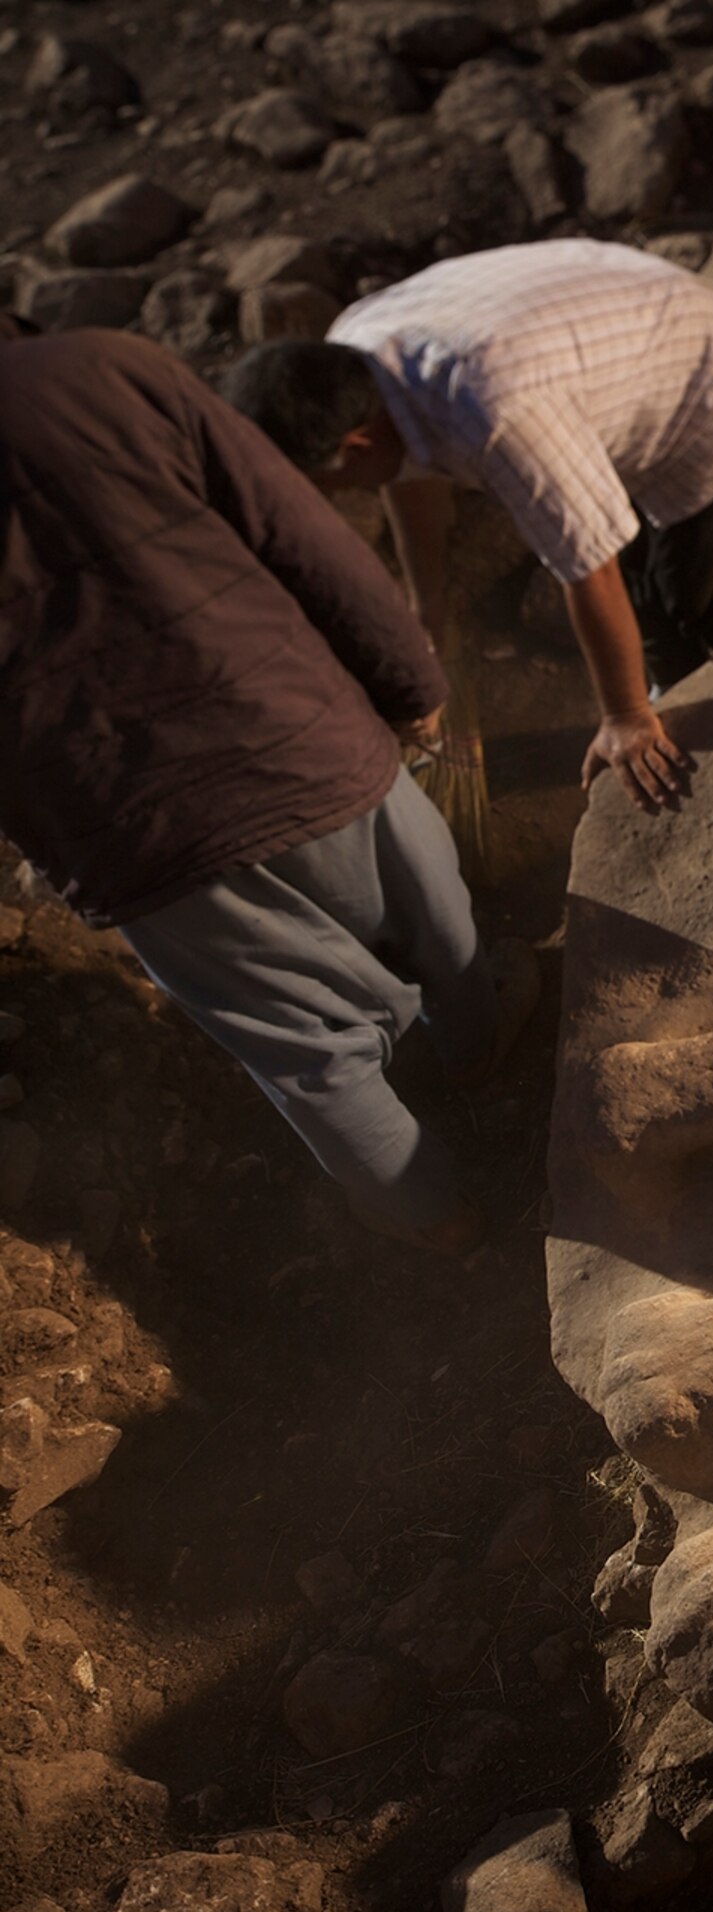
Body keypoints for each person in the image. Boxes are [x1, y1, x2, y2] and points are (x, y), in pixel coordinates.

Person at [0, 329, 529, 1253]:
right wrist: (412, 688)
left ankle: (436, 1219)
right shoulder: (105, 368)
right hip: (298, 728)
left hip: (138, 830)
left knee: (310, 1054)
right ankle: (478, 1045)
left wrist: (63, 852)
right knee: (440, 918)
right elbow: (300, 535)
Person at [222, 238, 713, 812]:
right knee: (652, 596)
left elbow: (590, 567)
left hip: (702, 365)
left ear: (353, 446)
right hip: (602, 331)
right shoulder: (351, 361)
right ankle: (668, 681)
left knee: (701, 608)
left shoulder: (491, 411)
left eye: (322, 483)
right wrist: (429, 609)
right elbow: (405, 471)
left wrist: (623, 717)